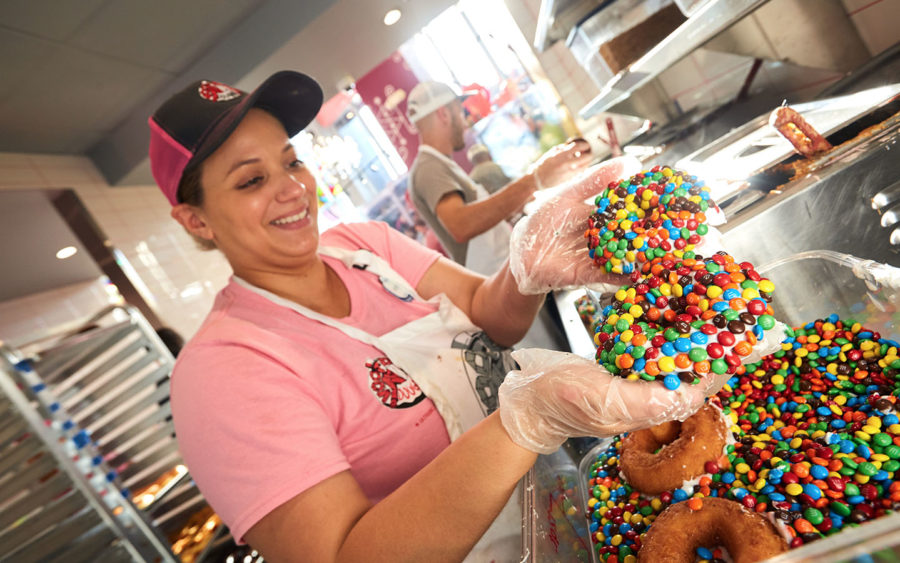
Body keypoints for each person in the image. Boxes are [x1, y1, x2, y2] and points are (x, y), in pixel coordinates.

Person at [148, 70, 727, 563]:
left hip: (570, 519)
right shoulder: (224, 373)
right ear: (195, 221)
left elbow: (489, 317)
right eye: (251, 180)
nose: (293, 189)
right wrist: (524, 421)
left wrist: (524, 270)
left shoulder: (364, 245)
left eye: (291, 161)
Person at [406, 81, 593, 276]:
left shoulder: (441, 164)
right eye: (461, 111)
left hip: (508, 275)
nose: (466, 121)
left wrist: (531, 192)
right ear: (443, 114)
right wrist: (534, 180)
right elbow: (461, 225)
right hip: (497, 285)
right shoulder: (429, 167)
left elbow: (482, 218)